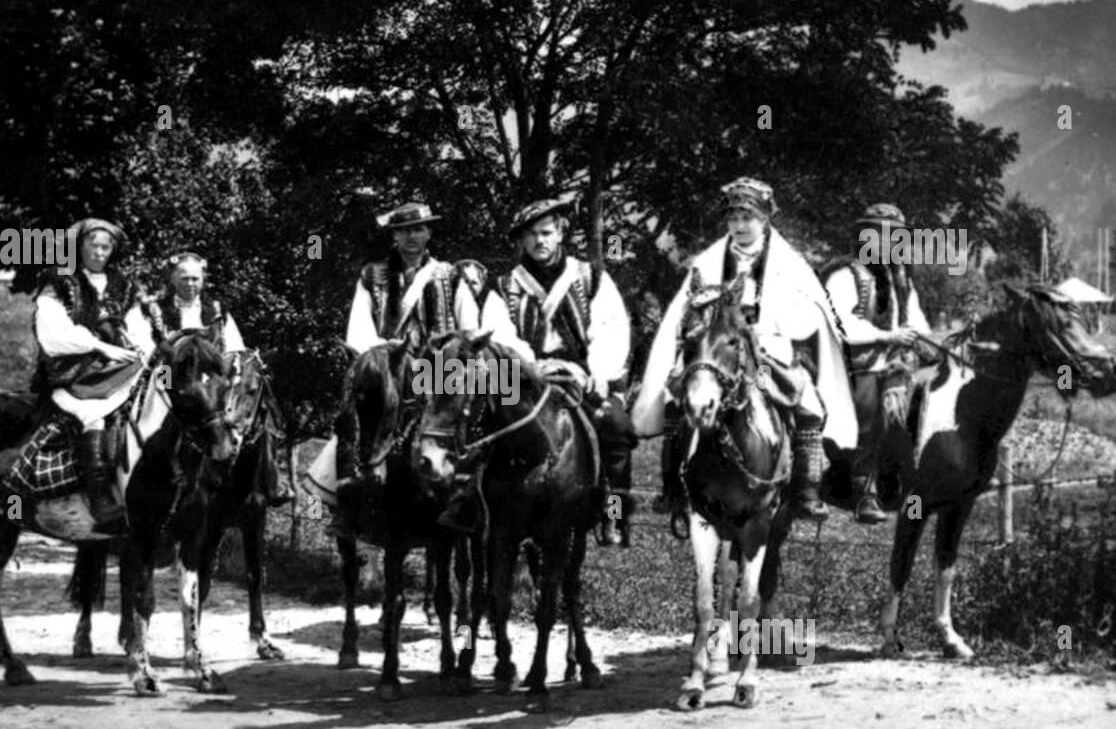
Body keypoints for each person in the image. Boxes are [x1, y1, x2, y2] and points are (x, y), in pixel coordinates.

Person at [633, 178, 857, 521]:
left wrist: (770, 325)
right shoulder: (708, 262)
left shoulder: (789, 263)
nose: (739, 226)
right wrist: (707, 325)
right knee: (677, 400)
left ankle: (805, 492)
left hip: (767, 352)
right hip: (718, 349)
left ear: (765, 219)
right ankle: (672, 489)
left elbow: (811, 312)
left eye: (748, 218)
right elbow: (686, 310)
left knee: (807, 404)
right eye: (733, 219)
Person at [304, 201, 517, 534]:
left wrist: (447, 356)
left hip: (437, 370)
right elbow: (359, 330)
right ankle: (346, 496)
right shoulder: (371, 275)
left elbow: (468, 326)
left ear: (429, 232)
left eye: (418, 229)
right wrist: (387, 356)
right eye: (404, 231)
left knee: (477, 414)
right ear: (395, 236)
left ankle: (470, 497)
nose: (412, 237)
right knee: (353, 418)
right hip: (390, 367)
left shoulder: (450, 275)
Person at [495, 197, 637, 546]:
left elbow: (611, 328)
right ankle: (479, 508)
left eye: (546, 233)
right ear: (521, 241)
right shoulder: (504, 285)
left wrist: (590, 371)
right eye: (530, 236)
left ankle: (613, 516)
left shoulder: (591, 277)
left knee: (616, 428)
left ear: (560, 233)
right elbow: (500, 335)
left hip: (581, 374)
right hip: (526, 376)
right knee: (488, 423)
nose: (539, 242)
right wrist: (533, 365)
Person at [27, 218, 155, 532]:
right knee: (93, 412)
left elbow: (138, 326)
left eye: (105, 247)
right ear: (79, 246)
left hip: (117, 366)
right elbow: (53, 334)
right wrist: (100, 346)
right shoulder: (60, 282)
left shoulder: (123, 285)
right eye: (93, 245)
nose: (99, 252)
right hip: (72, 370)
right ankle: (98, 494)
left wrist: (138, 347)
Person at [150, 250, 293, 505]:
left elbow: (235, 350)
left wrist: (229, 376)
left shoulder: (216, 311)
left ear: (203, 279)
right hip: (167, 376)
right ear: (172, 278)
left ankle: (273, 477)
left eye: (195, 278)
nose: (190, 284)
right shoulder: (155, 310)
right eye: (184, 278)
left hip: (210, 381)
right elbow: (141, 350)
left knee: (259, 400)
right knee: (164, 407)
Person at [820, 203, 931, 523]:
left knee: (925, 400)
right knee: (870, 404)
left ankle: (908, 478)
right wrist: (890, 337)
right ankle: (864, 491)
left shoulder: (902, 280)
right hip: (851, 364)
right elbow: (841, 326)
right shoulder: (844, 275)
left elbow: (918, 324)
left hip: (894, 364)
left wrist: (924, 340)